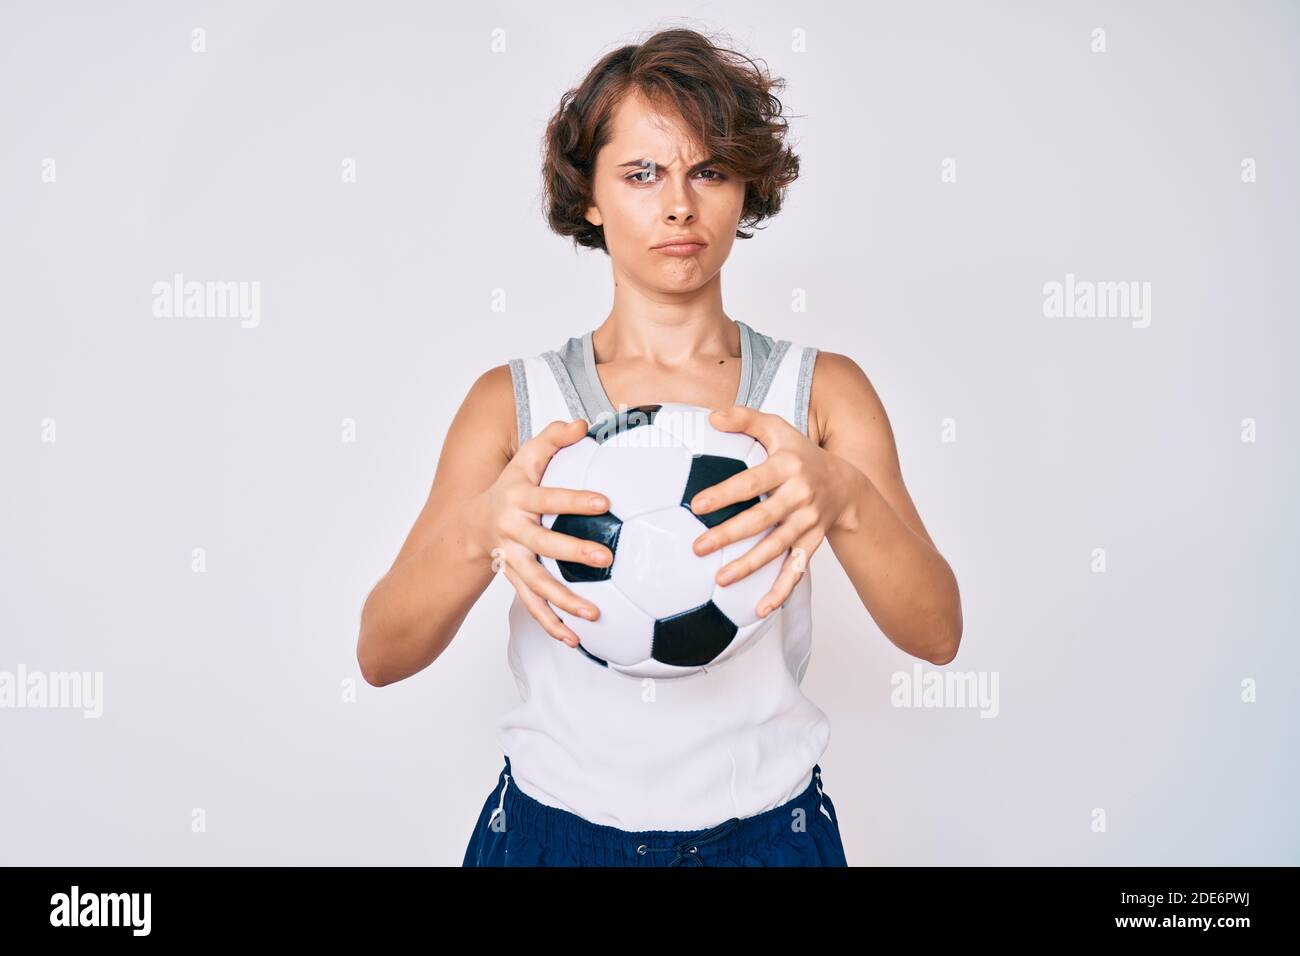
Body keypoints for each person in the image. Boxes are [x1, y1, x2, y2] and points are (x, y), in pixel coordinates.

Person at [356, 27, 963, 867]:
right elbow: (381, 654)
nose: (679, 204)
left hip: (767, 838)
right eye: (641, 174)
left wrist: (846, 497)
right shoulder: (513, 404)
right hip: (549, 835)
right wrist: (481, 531)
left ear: (746, 188)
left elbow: (937, 635)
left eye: (708, 171)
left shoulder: (821, 392)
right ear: (589, 196)